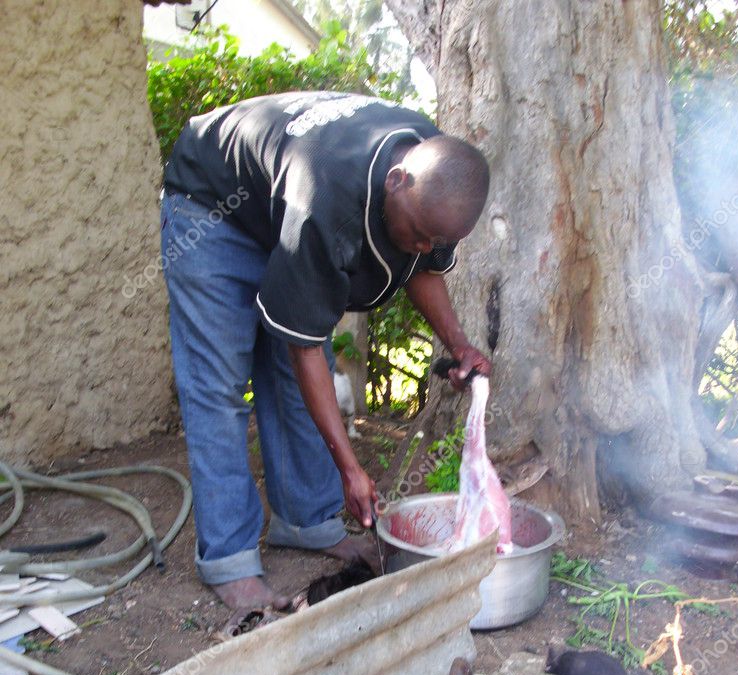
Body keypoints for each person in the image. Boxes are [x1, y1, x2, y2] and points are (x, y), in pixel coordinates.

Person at [160, 91, 491, 613]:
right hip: (213, 209)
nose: (426, 248)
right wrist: (350, 469)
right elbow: (305, 344)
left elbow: (423, 267)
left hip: (277, 199)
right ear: (396, 181)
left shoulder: (437, 171)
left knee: (290, 382)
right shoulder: (327, 200)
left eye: (440, 241)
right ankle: (229, 559)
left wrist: (460, 344)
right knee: (219, 387)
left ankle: (306, 522)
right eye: (422, 235)